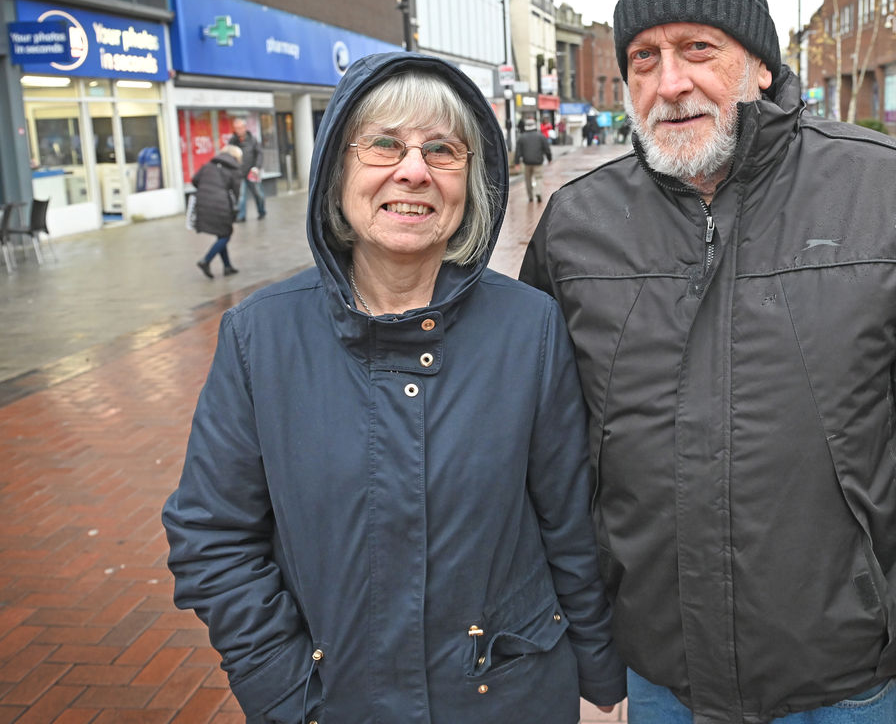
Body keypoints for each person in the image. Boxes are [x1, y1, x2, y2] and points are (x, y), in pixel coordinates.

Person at [520, 0, 896, 724]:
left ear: (759, 64)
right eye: (643, 58)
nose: (670, 82)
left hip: (843, 682)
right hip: (664, 678)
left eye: (698, 48)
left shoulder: (893, 197)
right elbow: (548, 460)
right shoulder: (576, 227)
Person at [163, 51, 625, 722]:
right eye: (384, 144)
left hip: (513, 700)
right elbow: (212, 536)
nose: (413, 170)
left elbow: (570, 527)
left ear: (471, 182)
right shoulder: (260, 337)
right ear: (336, 171)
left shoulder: (530, 330)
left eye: (442, 150)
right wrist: (290, 698)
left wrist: (600, 683)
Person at [192, 143, 242, 278]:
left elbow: (194, 180)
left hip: (203, 202)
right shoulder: (235, 169)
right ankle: (206, 260)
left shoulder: (209, 165)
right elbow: (236, 191)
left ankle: (227, 267)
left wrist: (205, 188)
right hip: (221, 204)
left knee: (221, 234)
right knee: (226, 234)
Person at [230, 116, 266, 221]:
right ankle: (241, 216)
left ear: (245, 128)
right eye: (236, 128)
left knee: (259, 194)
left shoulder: (252, 140)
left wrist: (257, 167)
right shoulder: (233, 141)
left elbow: (259, 154)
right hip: (239, 173)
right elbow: (229, 155)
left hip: (252, 173)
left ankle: (262, 211)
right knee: (241, 196)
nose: (238, 130)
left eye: (240, 128)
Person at [514, 119, 553, 202]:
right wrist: (549, 158)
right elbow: (547, 149)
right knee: (538, 177)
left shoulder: (521, 137)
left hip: (526, 163)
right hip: (538, 162)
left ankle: (530, 196)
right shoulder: (541, 136)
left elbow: (518, 151)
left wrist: (516, 163)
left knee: (528, 180)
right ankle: (538, 192)